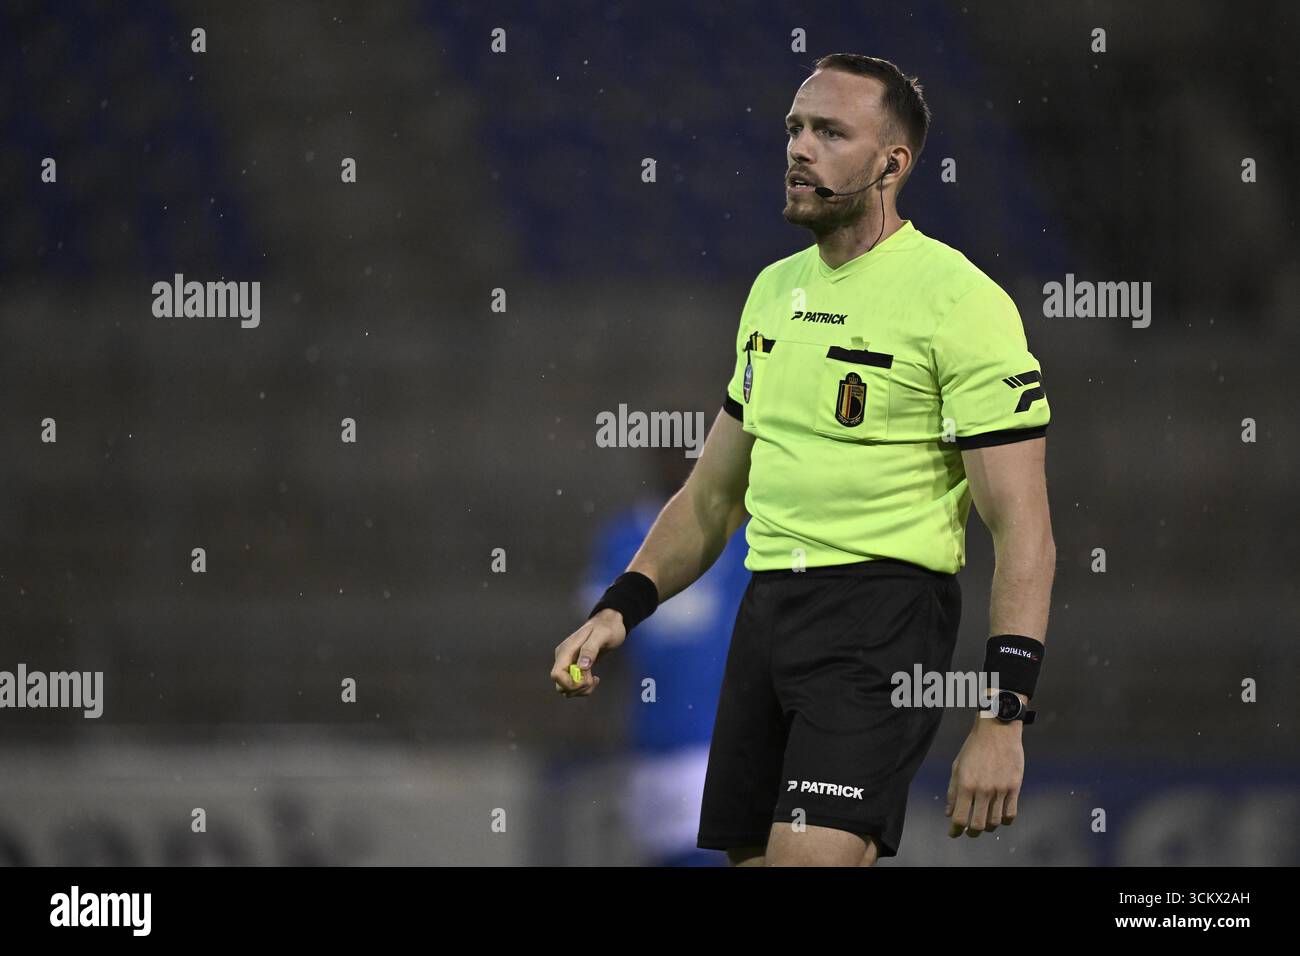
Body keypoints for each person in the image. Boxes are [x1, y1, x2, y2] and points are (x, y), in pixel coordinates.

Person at [552, 53, 1055, 867]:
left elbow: (1023, 527)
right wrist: (620, 608)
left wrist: (1003, 718)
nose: (798, 148)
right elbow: (712, 495)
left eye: (829, 131)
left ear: (892, 162)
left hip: (881, 620)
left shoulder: (960, 302)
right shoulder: (772, 293)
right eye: (794, 128)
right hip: (769, 614)